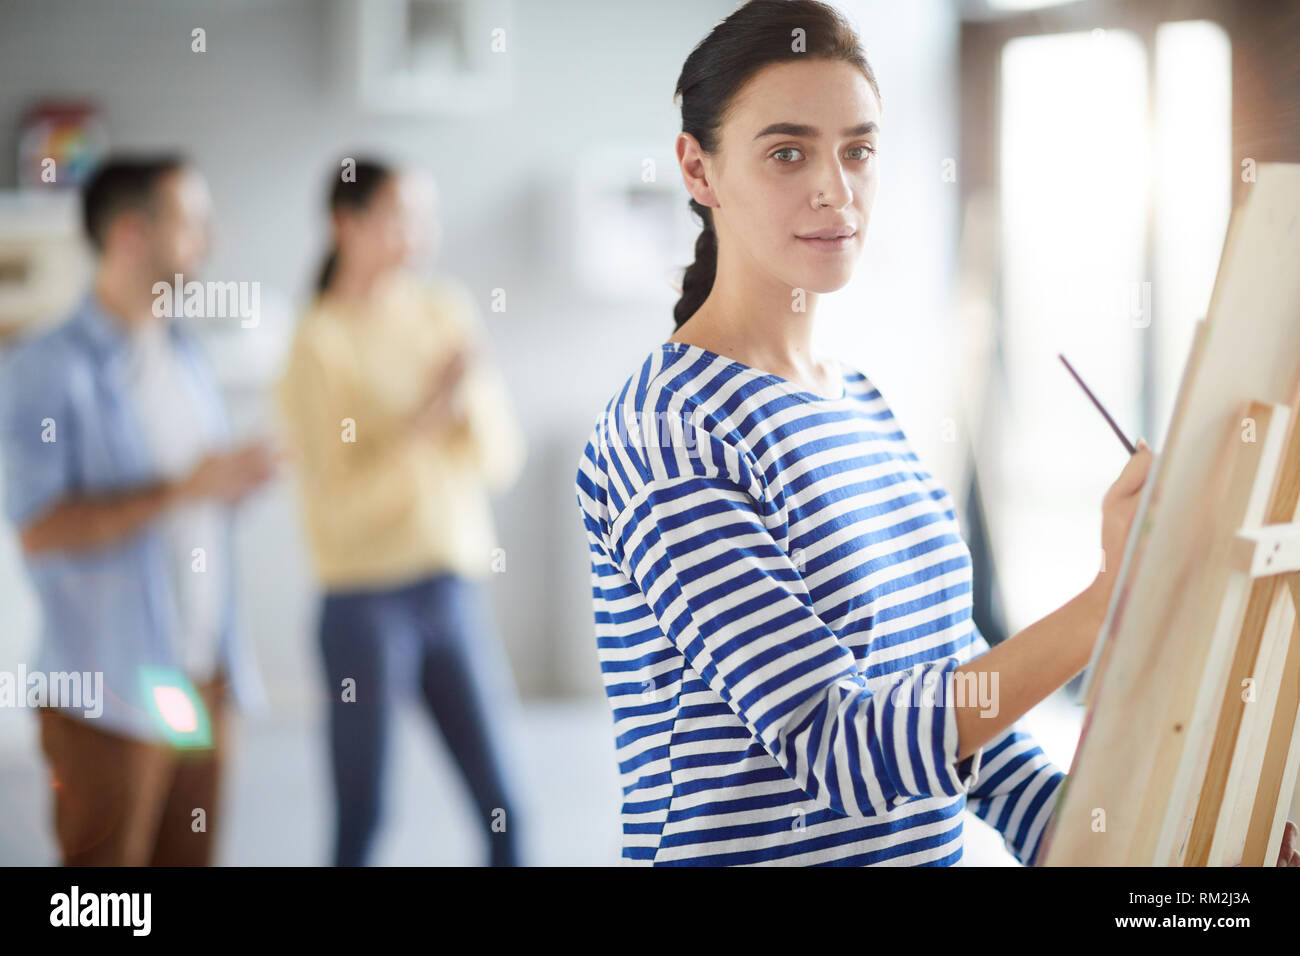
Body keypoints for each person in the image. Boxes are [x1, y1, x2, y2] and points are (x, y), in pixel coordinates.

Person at [573, 0, 1150, 867]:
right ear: (699, 169)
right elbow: (839, 744)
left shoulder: (860, 405)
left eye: (859, 150)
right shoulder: (666, 434)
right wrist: (1104, 606)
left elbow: (962, 719)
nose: (835, 189)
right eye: (787, 152)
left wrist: (1135, 843)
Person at [0, 155, 276, 866]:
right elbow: (38, 528)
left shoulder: (186, 354)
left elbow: (195, 503)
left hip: (201, 676)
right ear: (130, 234)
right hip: (112, 690)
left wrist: (232, 484)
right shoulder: (44, 367)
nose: (208, 240)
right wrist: (181, 490)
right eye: (190, 223)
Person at [276, 158, 527, 867]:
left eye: (424, 219)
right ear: (344, 225)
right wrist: (426, 419)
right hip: (362, 606)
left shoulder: (443, 310)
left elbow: (498, 459)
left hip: (449, 591)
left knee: (508, 808)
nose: (416, 238)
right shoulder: (317, 343)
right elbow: (339, 503)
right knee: (365, 818)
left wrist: (462, 402)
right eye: (397, 219)